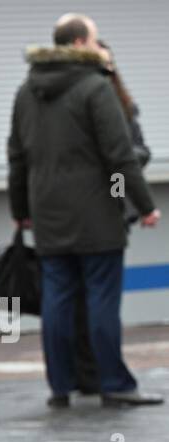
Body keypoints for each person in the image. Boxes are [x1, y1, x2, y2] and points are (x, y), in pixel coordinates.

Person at [7, 12, 161, 408]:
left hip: (49, 217)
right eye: (93, 40)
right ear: (78, 44)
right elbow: (120, 156)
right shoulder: (95, 88)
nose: (97, 46)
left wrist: (20, 209)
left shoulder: (27, 91)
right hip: (96, 216)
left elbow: (17, 157)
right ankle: (114, 383)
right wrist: (145, 206)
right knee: (101, 299)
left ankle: (61, 385)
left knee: (57, 299)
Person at [71, 39, 153, 394]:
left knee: (92, 297)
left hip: (108, 204)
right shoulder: (76, 101)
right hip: (84, 210)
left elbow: (136, 152)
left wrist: (123, 190)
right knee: (87, 297)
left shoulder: (122, 104)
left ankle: (88, 375)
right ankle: (92, 374)